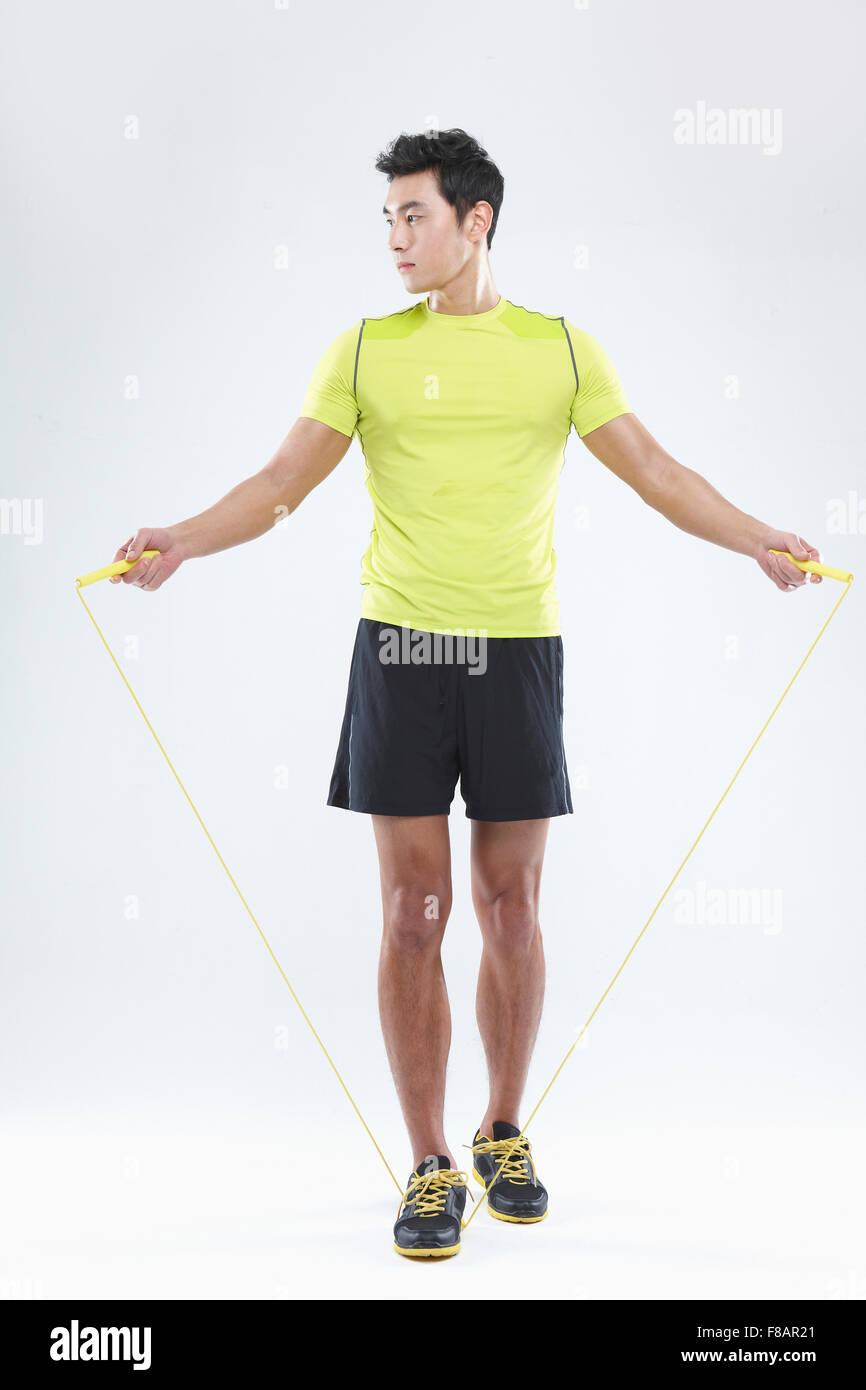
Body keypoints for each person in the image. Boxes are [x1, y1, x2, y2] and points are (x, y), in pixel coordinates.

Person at [109, 127, 823, 1261]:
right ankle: (429, 1158)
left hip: (517, 653)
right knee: (414, 913)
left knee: (510, 910)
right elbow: (282, 481)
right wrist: (183, 539)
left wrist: (756, 539)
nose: (395, 238)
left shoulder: (560, 350)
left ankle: (501, 1129)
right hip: (399, 650)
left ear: (474, 220)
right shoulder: (362, 351)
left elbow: (657, 473)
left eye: (414, 216)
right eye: (387, 218)